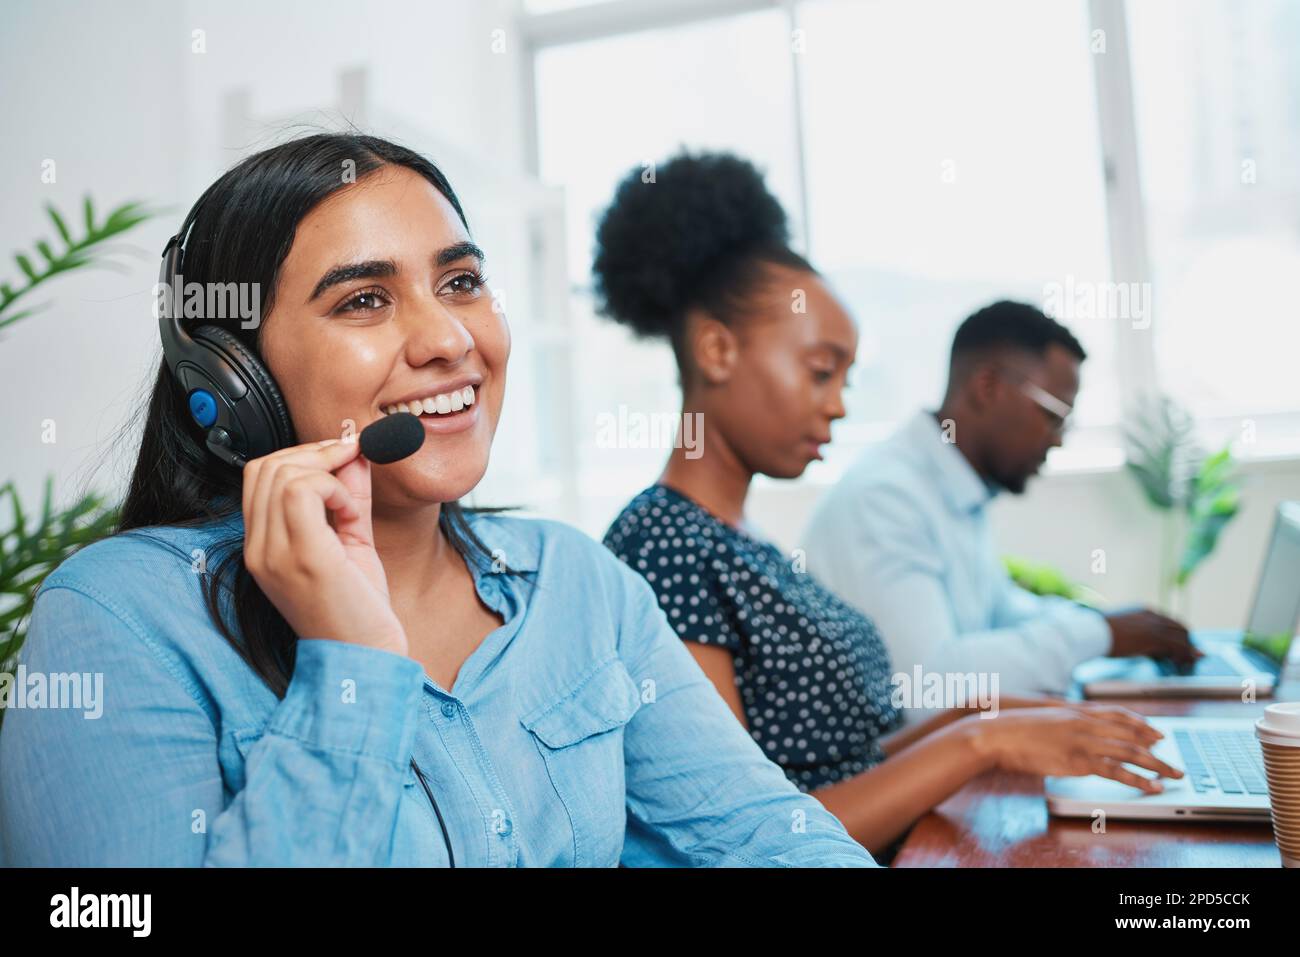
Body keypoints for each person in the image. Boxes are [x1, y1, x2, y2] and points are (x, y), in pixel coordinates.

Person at [0, 133, 875, 867]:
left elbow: (769, 832)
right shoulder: (121, 616)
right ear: (235, 380)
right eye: (366, 299)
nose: (451, 339)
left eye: (460, 282)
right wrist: (352, 669)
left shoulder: (576, 582)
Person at [595, 152, 1183, 856]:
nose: (839, 405)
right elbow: (748, 832)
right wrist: (983, 735)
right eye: (820, 371)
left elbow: (851, 758)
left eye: (846, 377)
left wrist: (1006, 715)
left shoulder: (741, 539)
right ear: (717, 350)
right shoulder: (662, 543)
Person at [803, 300, 1196, 697]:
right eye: (1054, 415)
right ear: (988, 386)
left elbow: (1001, 612)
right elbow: (928, 687)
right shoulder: (886, 498)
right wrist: (1099, 634)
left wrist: (1108, 626)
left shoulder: (952, 484)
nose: (1059, 439)